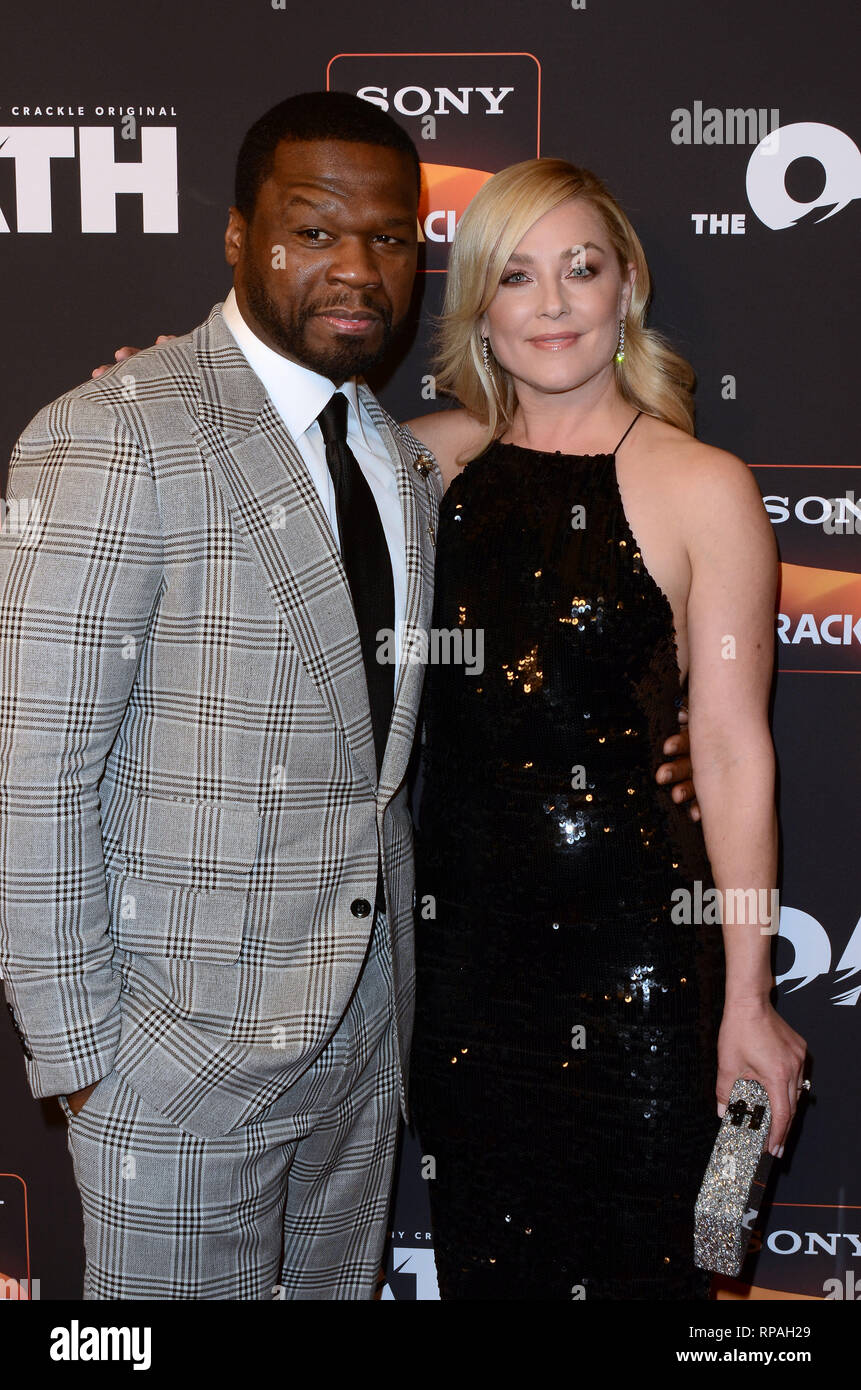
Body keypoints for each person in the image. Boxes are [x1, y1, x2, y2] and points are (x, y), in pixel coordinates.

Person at [2, 96, 696, 1301]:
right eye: (313, 230)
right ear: (237, 238)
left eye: (386, 238)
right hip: (172, 1061)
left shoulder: (399, 453)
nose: (354, 266)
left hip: (371, 1045)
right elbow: (36, 763)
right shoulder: (115, 433)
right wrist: (82, 1061)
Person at [402, 158, 807, 1300]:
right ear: (481, 305)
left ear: (626, 287)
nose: (553, 303)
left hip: (645, 973)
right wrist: (158, 386)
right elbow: (244, 480)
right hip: (464, 979)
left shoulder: (702, 484)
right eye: (517, 276)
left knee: (673, 1276)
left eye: (581, 268)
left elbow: (731, 750)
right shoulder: (420, 467)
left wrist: (748, 998)